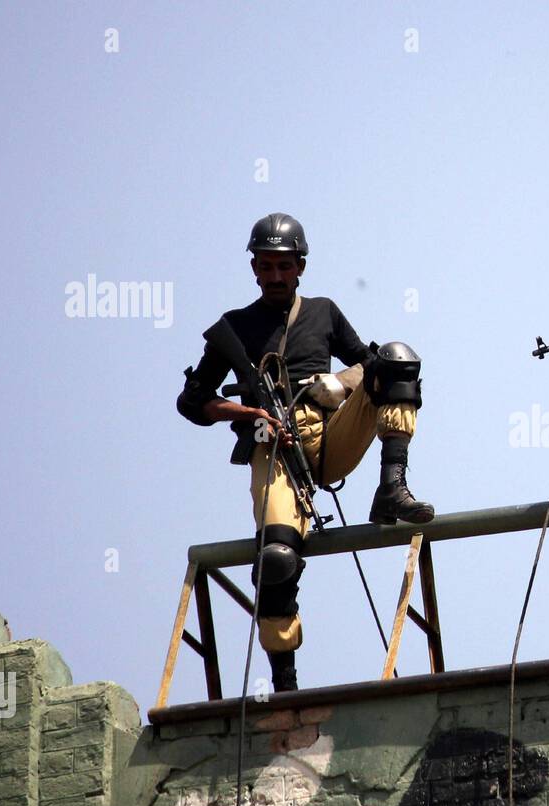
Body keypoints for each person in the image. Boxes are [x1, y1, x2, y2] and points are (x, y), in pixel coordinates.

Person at [176, 212, 434, 691]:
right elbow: (192, 404)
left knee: (397, 361)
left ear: (301, 267)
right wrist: (249, 415)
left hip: (330, 436)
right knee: (275, 558)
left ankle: (392, 488)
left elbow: (369, 363)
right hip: (271, 449)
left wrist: (338, 383)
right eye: (267, 266)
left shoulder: (323, 312)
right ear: (254, 268)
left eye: (284, 266)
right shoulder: (235, 328)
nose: (275, 276)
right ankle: (285, 682)